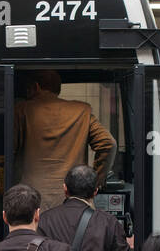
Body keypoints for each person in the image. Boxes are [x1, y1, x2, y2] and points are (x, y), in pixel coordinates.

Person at [14, 69, 116, 211]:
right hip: (72, 200)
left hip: (30, 200)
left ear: (35, 87)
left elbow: (9, 149)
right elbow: (108, 143)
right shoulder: (81, 110)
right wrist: (95, 182)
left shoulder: (22, 110)